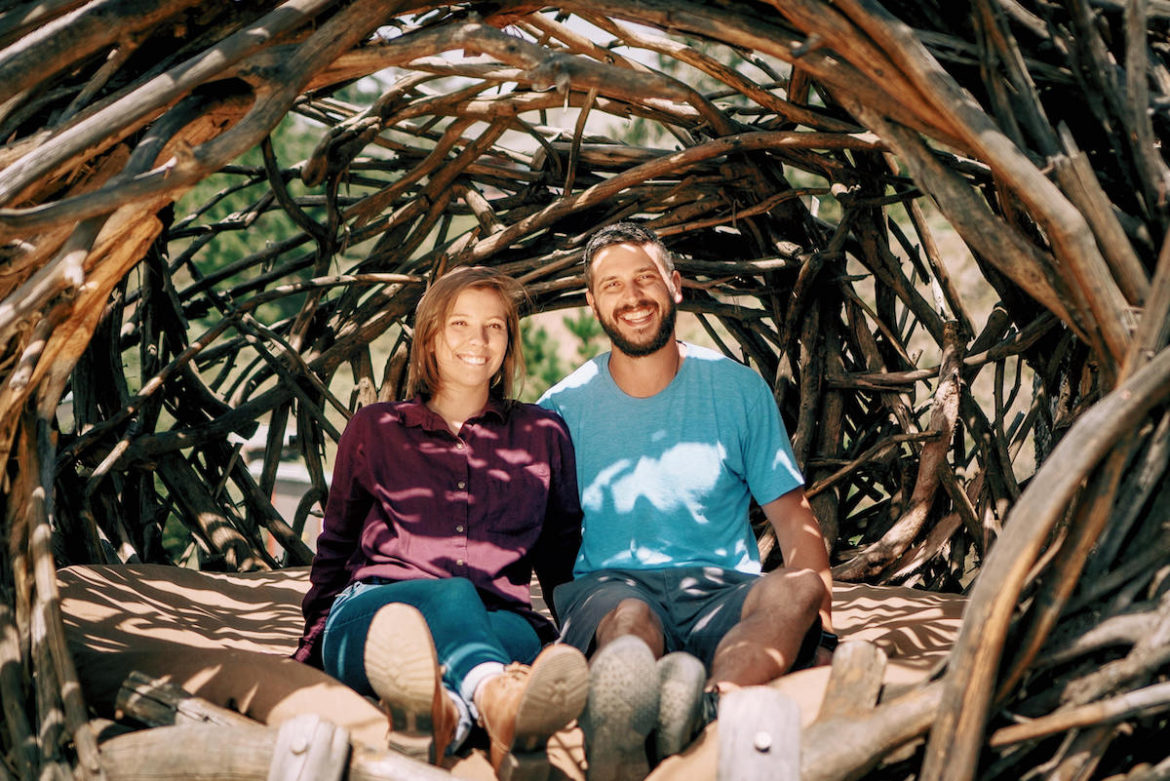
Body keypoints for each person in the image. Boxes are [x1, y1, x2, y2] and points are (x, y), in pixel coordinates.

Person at [539, 222, 836, 780]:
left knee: (796, 590)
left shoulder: (738, 389)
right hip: (613, 589)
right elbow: (542, 536)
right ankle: (629, 722)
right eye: (612, 285)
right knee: (630, 622)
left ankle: (706, 709)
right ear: (591, 303)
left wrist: (821, 628)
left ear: (674, 285)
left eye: (646, 278)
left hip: (724, 594)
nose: (632, 297)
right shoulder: (561, 408)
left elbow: (795, 523)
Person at [294, 266, 588, 778]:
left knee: (503, 631)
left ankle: (443, 717)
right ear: (429, 336)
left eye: (495, 326)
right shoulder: (375, 428)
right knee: (452, 596)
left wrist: (581, 640)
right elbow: (336, 544)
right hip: (376, 616)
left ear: (509, 341)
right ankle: (499, 704)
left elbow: (560, 558)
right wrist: (312, 643)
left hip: (501, 619)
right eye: (459, 324)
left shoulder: (542, 433)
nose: (478, 340)